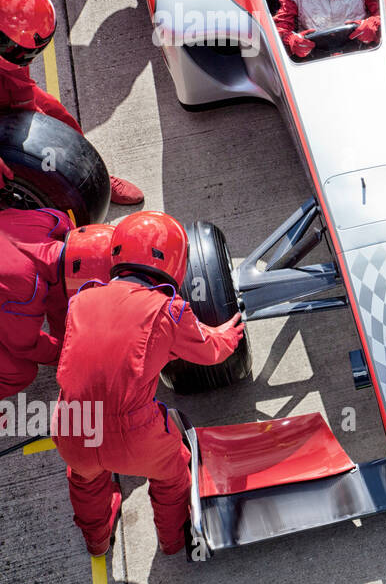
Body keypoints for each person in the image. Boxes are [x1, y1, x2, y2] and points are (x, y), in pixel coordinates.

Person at [54, 211, 244, 557]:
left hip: (72, 424)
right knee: (172, 475)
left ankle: (96, 541)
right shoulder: (169, 311)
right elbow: (211, 351)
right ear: (176, 261)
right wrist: (229, 335)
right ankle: (172, 542)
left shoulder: (80, 300)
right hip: (134, 435)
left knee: (84, 480)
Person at [0, 0, 143, 203]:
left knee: (55, 114)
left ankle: (92, 176)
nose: (28, 60)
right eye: (22, 53)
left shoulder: (12, 45)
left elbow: (21, 85)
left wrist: (39, 122)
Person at [0, 210, 111, 400]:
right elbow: (27, 345)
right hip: (15, 281)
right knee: (17, 371)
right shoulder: (26, 290)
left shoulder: (53, 220)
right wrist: (75, 356)